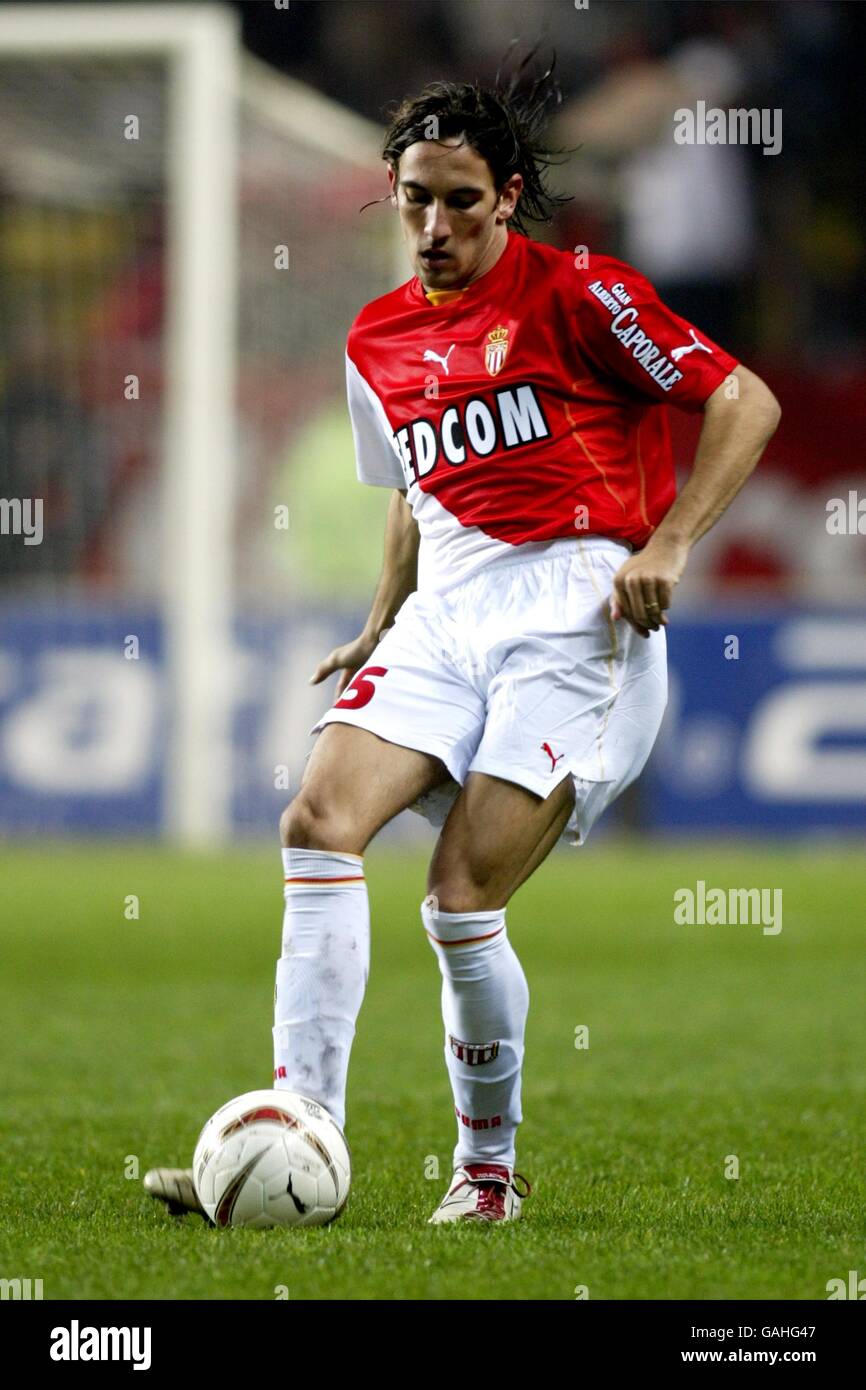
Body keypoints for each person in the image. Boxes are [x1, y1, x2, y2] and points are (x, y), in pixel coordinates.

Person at [144, 69, 780, 1226]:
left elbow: (742, 398)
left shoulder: (581, 294)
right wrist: (378, 617)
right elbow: (411, 486)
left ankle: (484, 1177)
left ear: (508, 196)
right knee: (316, 822)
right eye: (413, 200)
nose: (432, 226)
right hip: (444, 613)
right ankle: (295, 1135)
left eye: (459, 201)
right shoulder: (374, 335)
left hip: (575, 616)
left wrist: (670, 540)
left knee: (455, 901)